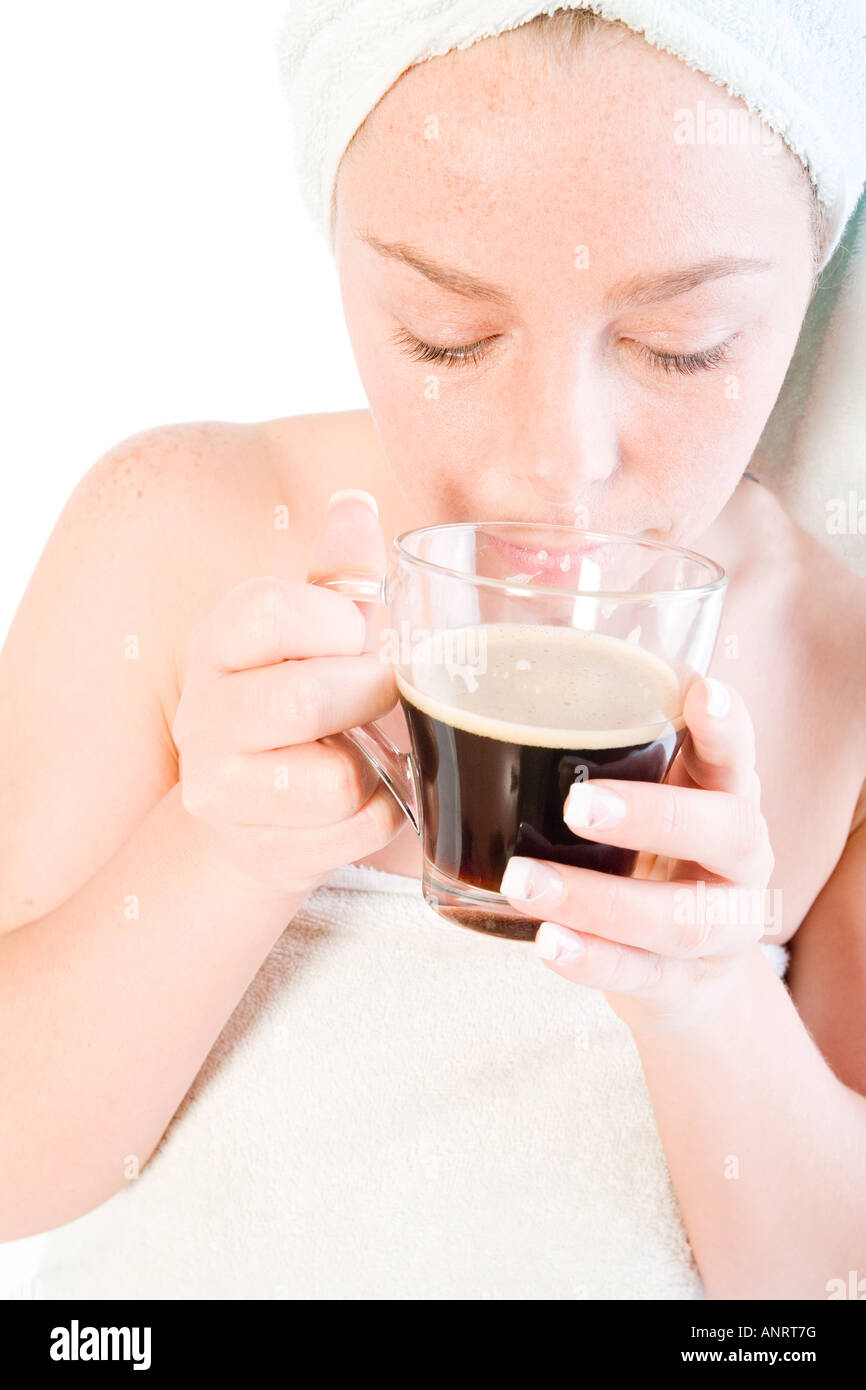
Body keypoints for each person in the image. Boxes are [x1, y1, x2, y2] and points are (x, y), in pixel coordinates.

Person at [1, 4, 865, 1300]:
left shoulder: (836, 665)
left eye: (682, 344)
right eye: (444, 334)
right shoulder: (173, 533)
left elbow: (817, 1279)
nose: (553, 462)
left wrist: (709, 1001)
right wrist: (221, 848)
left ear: (809, 283)